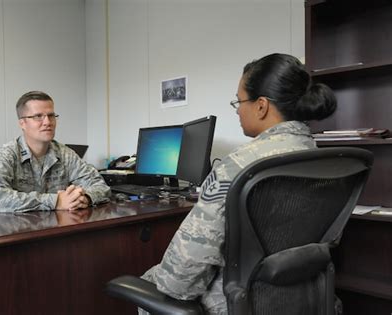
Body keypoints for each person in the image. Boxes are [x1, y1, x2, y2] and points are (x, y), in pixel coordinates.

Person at [139, 53, 337, 315]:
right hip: (303, 297)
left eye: (239, 101)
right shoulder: (326, 159)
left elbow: (180, 279)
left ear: (262, 106)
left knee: (148, 287)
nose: (237, 110)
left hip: (236, 303)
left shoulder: (238, 166)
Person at [0, 91, 110, 213]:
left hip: (56, 229)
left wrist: (84, 198)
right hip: (17, 231)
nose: (47, 122)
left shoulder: (65, 154)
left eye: (51, 115)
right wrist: (56, 202)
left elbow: (100, 185)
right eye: (38, 116)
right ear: (22, 123)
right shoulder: (7, 154)